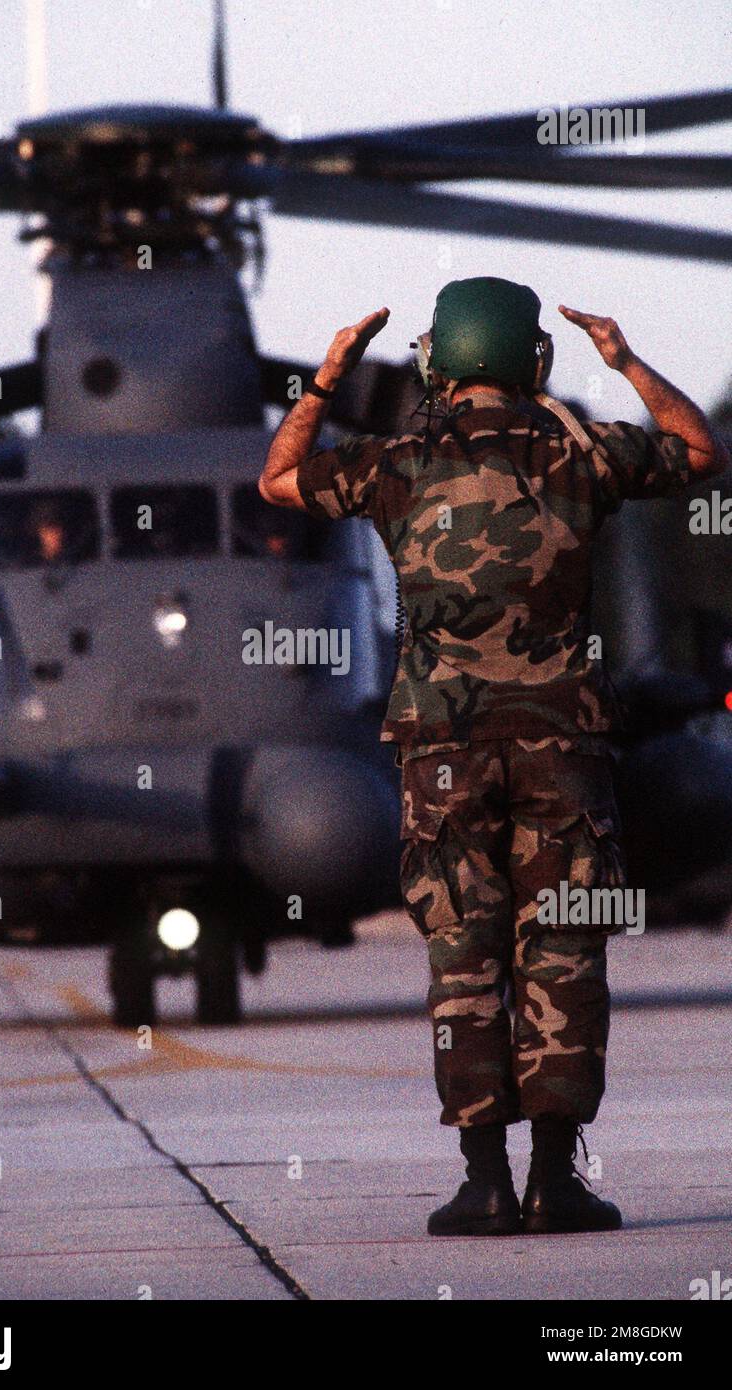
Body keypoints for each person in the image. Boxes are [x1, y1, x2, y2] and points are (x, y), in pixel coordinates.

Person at [259, 277, 728, 1236]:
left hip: (441, 752)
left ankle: (483, 1183)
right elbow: (695, 448)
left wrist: (324, 379)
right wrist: (625, 359)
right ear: (533, 362)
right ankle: (556, 1180)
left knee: (463, 953)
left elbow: (278, 481)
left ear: (436, 361)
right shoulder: (580, 451)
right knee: (563, 947)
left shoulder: (396, 461)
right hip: (565, 747)